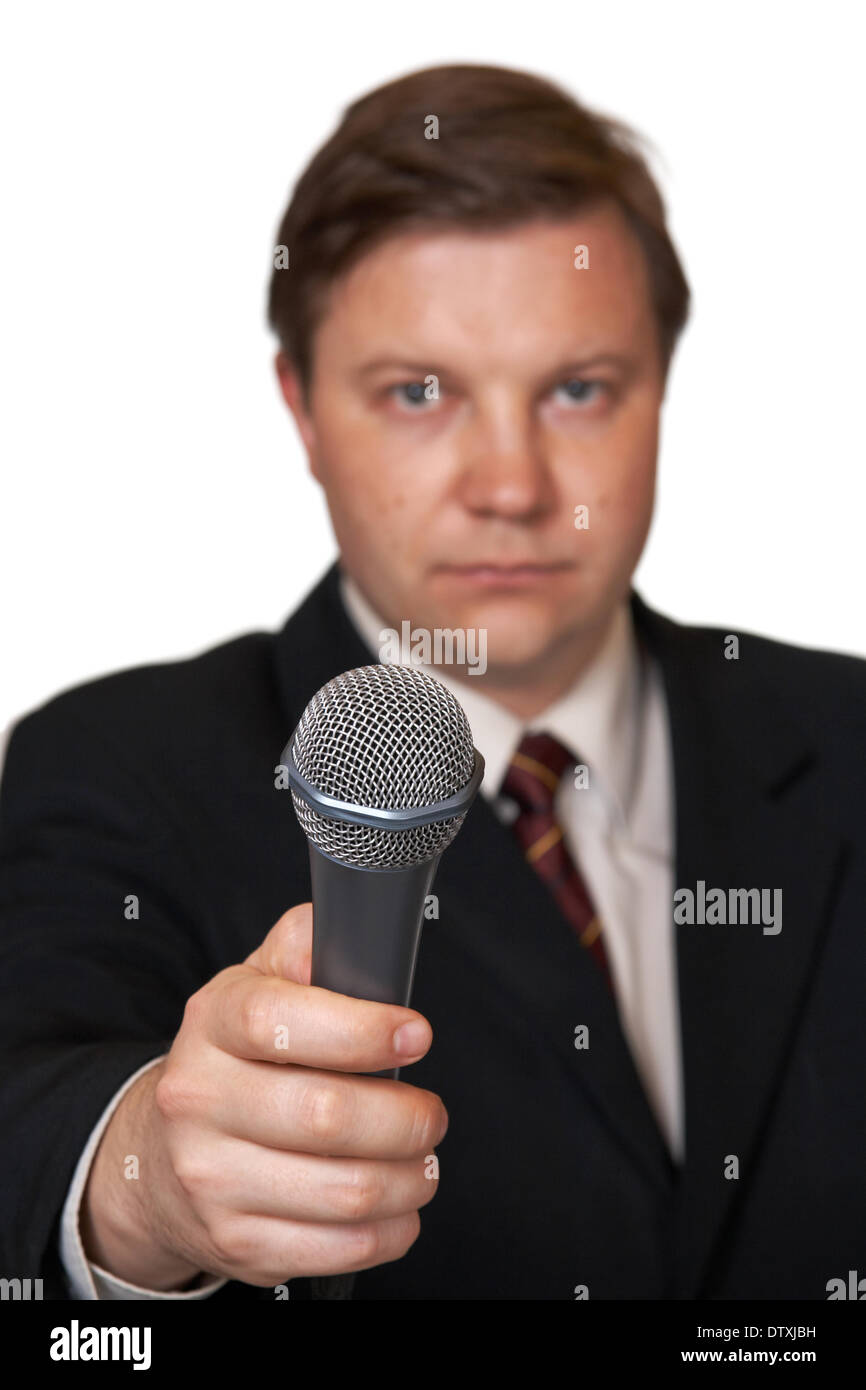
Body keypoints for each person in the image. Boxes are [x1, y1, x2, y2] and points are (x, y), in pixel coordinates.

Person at [1, 62, 864, 1303]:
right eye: (418, 392)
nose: (509, 484)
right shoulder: (117, 762)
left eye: (577, 388)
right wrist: (141, 1177)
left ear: (660, 392)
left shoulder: (847, 735)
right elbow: (30, 1100)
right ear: (300, 409)